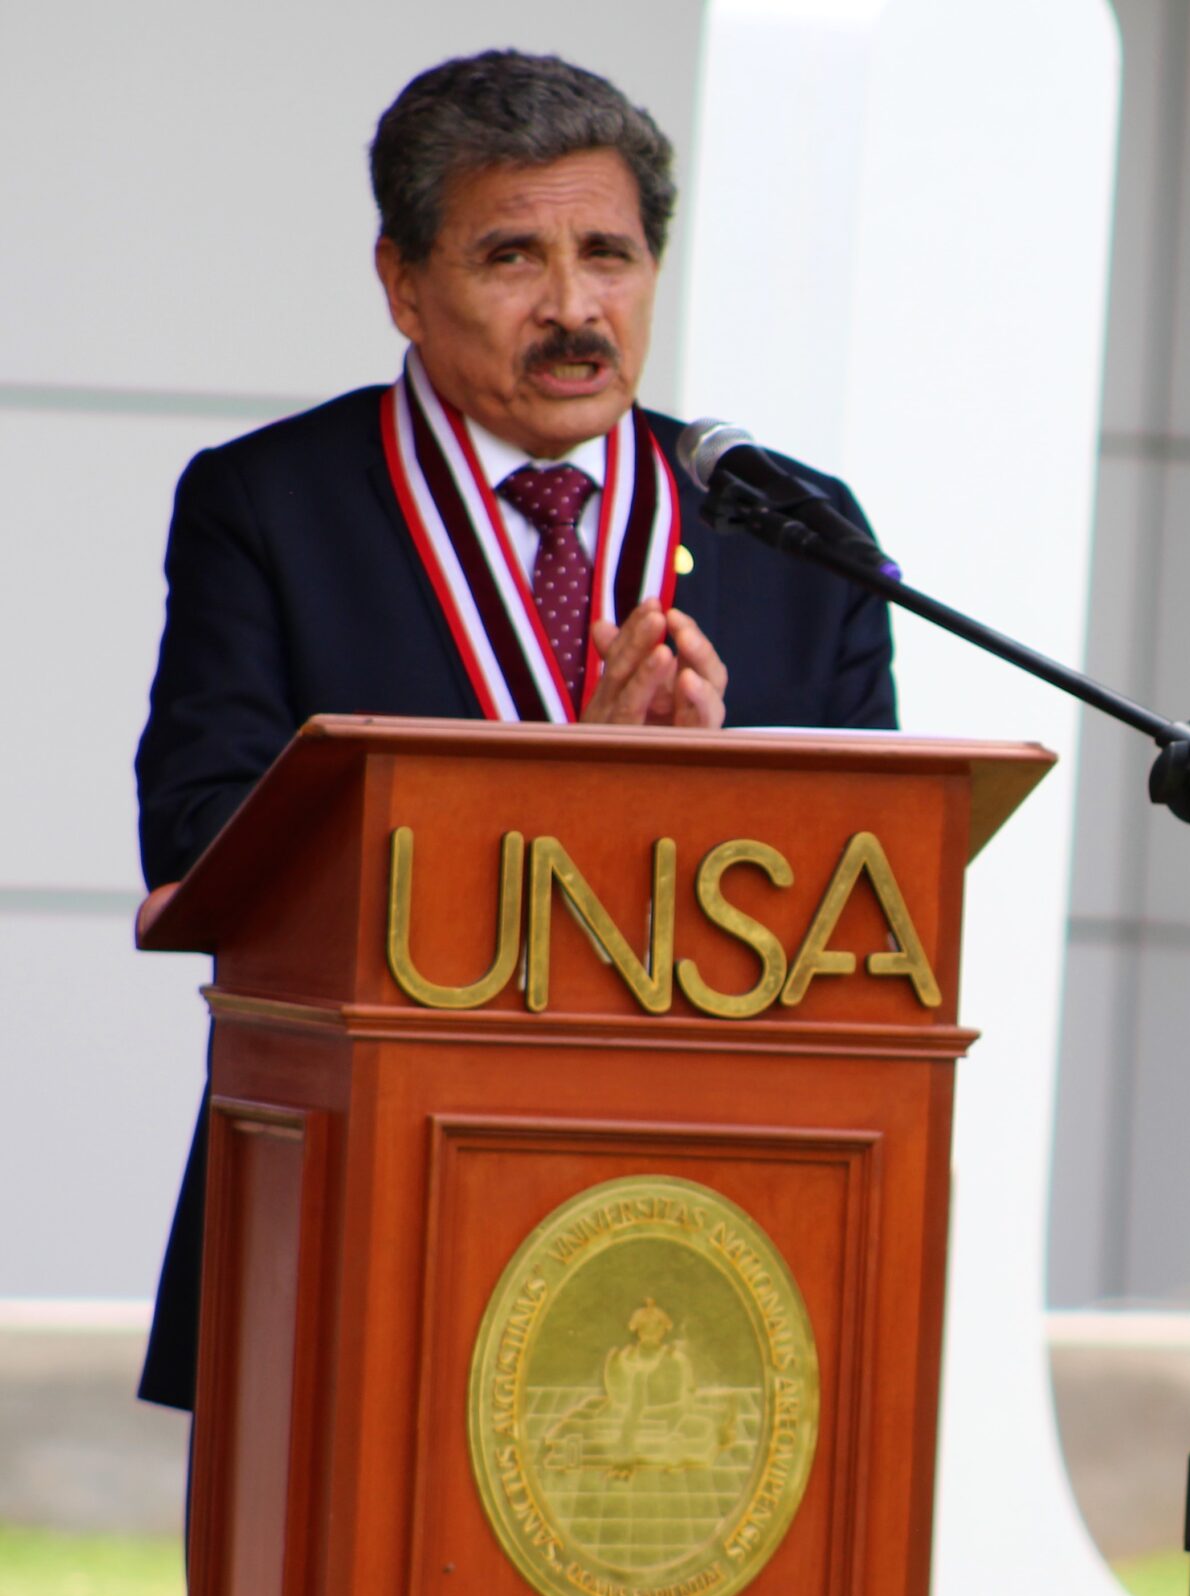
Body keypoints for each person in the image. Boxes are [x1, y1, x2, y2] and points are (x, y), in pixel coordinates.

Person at [133, 50, 897, 1412]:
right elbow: (204, 843)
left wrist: (713, 803)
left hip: (710, 1232)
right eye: (510, 257)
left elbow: (879, 903)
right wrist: (575, 787)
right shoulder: (272, 506)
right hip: (363, 1207)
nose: (573, 308)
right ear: (402, 282)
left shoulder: (791, 530)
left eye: (609, 254)